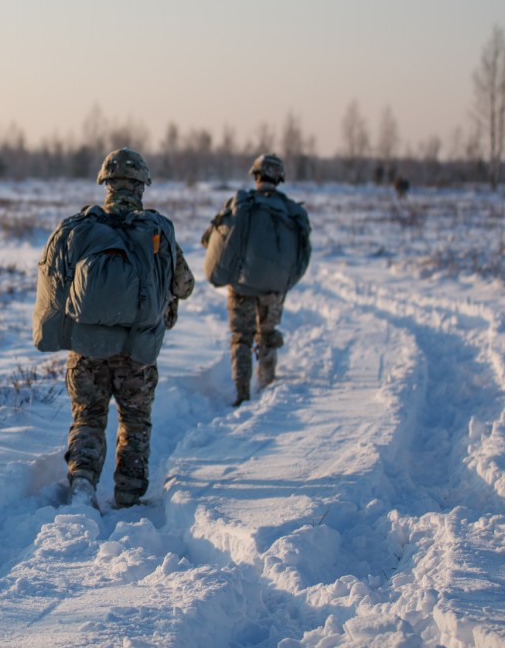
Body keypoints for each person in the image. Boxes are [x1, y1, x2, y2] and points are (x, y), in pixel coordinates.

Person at [33, 147, 195, 509]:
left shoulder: (80, 229)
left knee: (88, 418)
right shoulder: (158, 229)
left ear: (105, 182)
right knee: (135, 422)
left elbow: (55, 287)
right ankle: (128, 496)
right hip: (137, 353)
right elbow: (184, 285)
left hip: (87, 350)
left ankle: (83, 483)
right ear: (141, 185)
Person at [201, 153, 311, 407]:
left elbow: (214, 238)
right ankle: (267, 381)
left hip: (241, 284)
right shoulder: (292, 212)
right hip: (274, 289)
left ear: (256, 175)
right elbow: (303, 254)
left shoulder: (242, 204)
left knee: (241, 336)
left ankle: (243, 393)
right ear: (280, 178)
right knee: (268, 333)